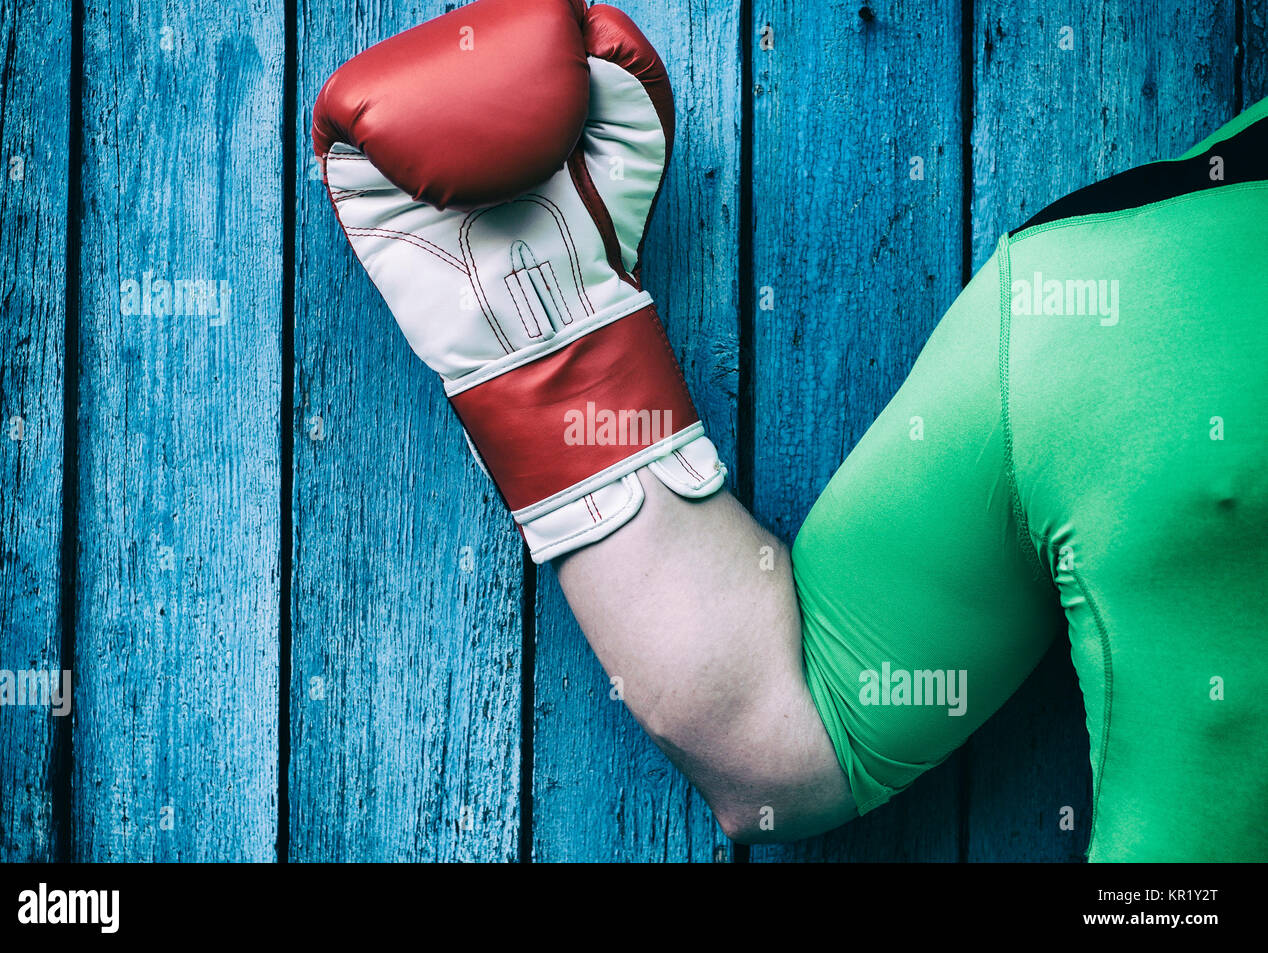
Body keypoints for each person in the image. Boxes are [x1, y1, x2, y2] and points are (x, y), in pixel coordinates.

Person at [312, 0, 1268, 861]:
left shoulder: (1108, 294)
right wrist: (547, 329)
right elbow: (789, 733)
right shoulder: (1108, 297)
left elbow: (790, 732)